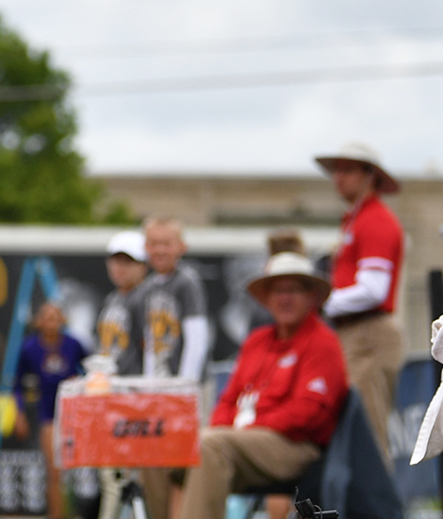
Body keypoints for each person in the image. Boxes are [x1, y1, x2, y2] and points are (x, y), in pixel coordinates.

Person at [179, 254, 347, 519]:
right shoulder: (257, 341)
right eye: (277, 291)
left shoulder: (323, 342)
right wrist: (226, 428)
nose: (285, 298)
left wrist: (244, 429)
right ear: (266, 298)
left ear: (312, 297)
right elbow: (228, 398)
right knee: (165, 453)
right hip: (240, 443)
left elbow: (309, 414)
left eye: (293, 290)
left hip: (294, 447)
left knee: (211, 445)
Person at [314, 142, 404, 454]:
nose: (339, 177)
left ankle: (376, 503)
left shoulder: (375, 220)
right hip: (356, 332)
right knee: (356, 432)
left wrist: (323, 302)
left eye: (348, 170)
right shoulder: (359, 218)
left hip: (369, 333)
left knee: (367, 433)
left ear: (370, 176)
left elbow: (373, 290)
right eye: (337, 170)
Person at [132, 217, 209, 519]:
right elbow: (151, 343)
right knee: (158, 460)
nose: (159, 250)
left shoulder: (186, 282)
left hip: (187, 389)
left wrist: (184, 386)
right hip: (161, 388)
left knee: (185, 463)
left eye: (166, 243)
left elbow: (197, 339)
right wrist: (151, 384)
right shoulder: (149, 287)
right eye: (153, 243)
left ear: (181, 247)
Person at [15, 301, 89, 519]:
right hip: (48, 413)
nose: (51, 322)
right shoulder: (29, 348)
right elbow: (16, 384)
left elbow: (92, 371)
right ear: (38, 322)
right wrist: (19, 413)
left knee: (76, 471)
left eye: (55, 317)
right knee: (55, 471)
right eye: (46, 317)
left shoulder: (74, 345)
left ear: (63, 320)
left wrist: (81, 381)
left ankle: (75, 512)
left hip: (75, 414)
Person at [93, 231, 148, 519]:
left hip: (133, 397)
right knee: (111, 477)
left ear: (142, 265)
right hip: (109, 395)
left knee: (130, 478)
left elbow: (149, 352)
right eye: (116, 260)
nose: (120, 268)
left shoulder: (145, 298)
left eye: (128, 261)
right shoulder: (112, 299)